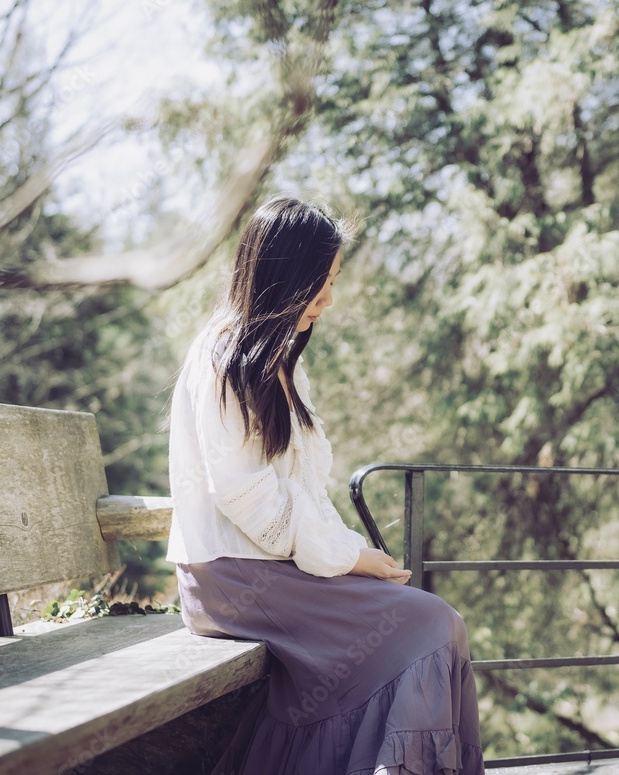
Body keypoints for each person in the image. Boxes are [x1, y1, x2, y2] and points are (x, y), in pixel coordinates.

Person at [166, 195, 484, 775]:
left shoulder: (278, 359)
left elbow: (304, 493)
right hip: (233, 576)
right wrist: (348, 558)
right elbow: (243, 495)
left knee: (433, 623)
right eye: (321, 281)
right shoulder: (224, 356)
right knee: (431, 627)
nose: (328, 299)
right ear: (284, 274)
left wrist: (350, 553)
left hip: (266, 566)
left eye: (333, 281)